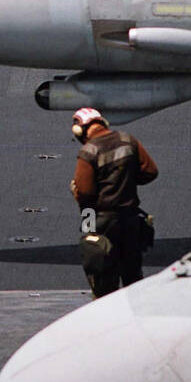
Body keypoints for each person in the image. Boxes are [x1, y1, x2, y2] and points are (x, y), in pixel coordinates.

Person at [68, 107, 159, 298]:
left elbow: (85, 194)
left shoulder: (88, 151)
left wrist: (88, 229)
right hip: (131, 217)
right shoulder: (128, 140)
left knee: (101, 277)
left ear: (80, 130)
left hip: (99, 217)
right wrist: (126, 180)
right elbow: (150, 172)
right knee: (133, 274)